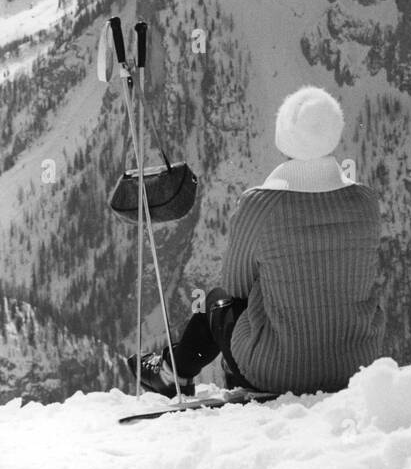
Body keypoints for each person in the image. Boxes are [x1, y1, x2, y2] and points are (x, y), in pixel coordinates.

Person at [127, 86, 382, 395]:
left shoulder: (260, 205)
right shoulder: (365, 201)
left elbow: (237, 288)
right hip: (357, 367)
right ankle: (173, 369)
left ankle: (173, 373)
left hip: (277, 372)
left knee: (217, 302)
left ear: (283, 137)